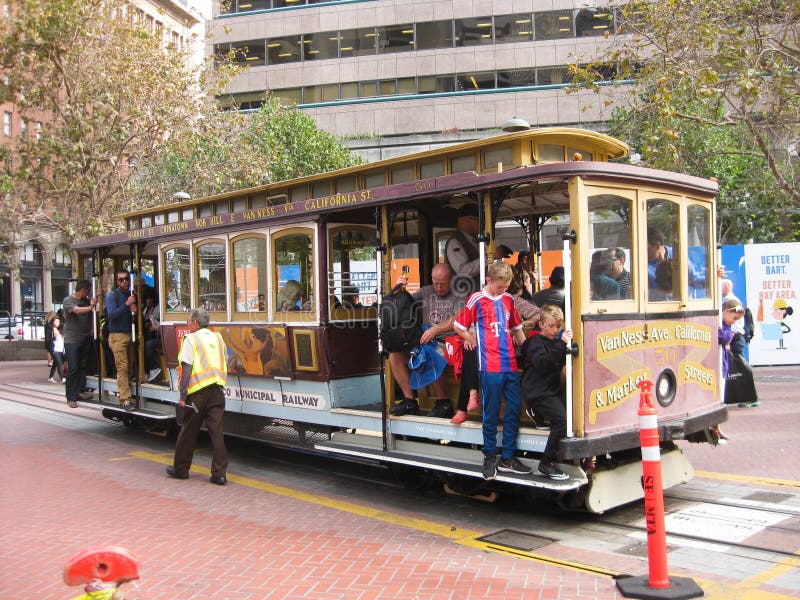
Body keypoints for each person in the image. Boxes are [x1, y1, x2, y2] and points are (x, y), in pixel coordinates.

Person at [454, 261, 529, 480]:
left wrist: (529, 352)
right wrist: (471, 337)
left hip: (510, 365)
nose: (503, 291)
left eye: (505, 287)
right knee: (491, 413)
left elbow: (517, 329)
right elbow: (459, 326)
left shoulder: (508, 300)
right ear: (489, 281)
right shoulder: (477, 299)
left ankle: (507, 457)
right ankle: (489, 456)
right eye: (499, 287)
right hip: (489, 366)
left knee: (514, 409)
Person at [389, 263, 465, 418]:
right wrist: (399, 288)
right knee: (395, 355)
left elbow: (458, 318)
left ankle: (443, 402)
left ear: (450, 280)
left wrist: (436, 329)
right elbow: (404, 302)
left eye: (442, 284)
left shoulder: (459, 295)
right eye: (435, 282)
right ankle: (410, 401)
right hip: (426, 339)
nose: (437, 287)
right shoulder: (426, 291)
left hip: (449, 342)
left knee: (426, 351)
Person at [166, 308, 229, 485]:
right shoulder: (218, 338)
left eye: (188, 321)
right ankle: (219, 474)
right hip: (217, 391)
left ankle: (181, 470)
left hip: (198, 394)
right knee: (217, 434)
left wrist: (182, 395)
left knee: (188, 432)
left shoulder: (191, 339)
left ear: (194, 322)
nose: (187, 324)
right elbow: (225, 360)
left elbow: (186, 368)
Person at [520, 305, 573, 480]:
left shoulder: (555, 342)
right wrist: (561, 343)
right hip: (537, 391)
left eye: (558, 326)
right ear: (541, 324)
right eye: (550, 326)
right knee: (562, 421)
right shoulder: (536, 342)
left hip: (550, 389)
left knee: (571, 413)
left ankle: (537, 412)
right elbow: (544, 364)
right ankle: (546, 463)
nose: (555, 330)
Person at [62, 280, 98, 408]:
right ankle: (71, 397)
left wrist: (96, 300)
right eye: (87, 291)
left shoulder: (86, 300)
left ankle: (80, 391)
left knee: (83, 366)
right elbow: (76, 311)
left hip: (85, 338)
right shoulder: (68, 300)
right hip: (72, 340)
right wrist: (90, 307)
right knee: (73, 367)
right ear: (82, 290)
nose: (88, 293)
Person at [105, 270, 137, 411]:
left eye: (126, 279)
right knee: (122, 367)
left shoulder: (131, 295)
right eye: (121, 280)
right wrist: (126, 305)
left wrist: (134, 310)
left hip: (130, 334)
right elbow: (111, 315)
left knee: (129, 365)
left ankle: (129, 393)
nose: (124, 282)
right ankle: (125, 399)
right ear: (117, 282)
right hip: (117, 336)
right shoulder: (113, 295)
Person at [444, 203, 483, 295]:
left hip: (474, 298)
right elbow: (463, 271)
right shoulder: (455, 242)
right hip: (462, 300)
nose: (481, 224)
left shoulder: (475, 240)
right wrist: (488, 257)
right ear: (465, 220)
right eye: (478, 220)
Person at [142, 294, 162, 383]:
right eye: (147, 298)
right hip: (150, 334)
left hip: (161, 337)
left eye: (150, 298)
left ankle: (154, 368)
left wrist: (157, 327)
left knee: (148, 344)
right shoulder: (145, 309)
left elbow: (164, 323)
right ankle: (145, 371)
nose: (148, 300)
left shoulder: (159, 308)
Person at [47, 316, 66, 384]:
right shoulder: (50, 329)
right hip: (54, 349)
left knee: (55, 364)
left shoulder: (60, 330)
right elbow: (47, 339)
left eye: (58, 321)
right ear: (53, 322)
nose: (57, 323)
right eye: (55, 321)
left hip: (60, 349)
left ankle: (50, 377)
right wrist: (53, 339)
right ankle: (62, 378)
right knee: (59, 363)